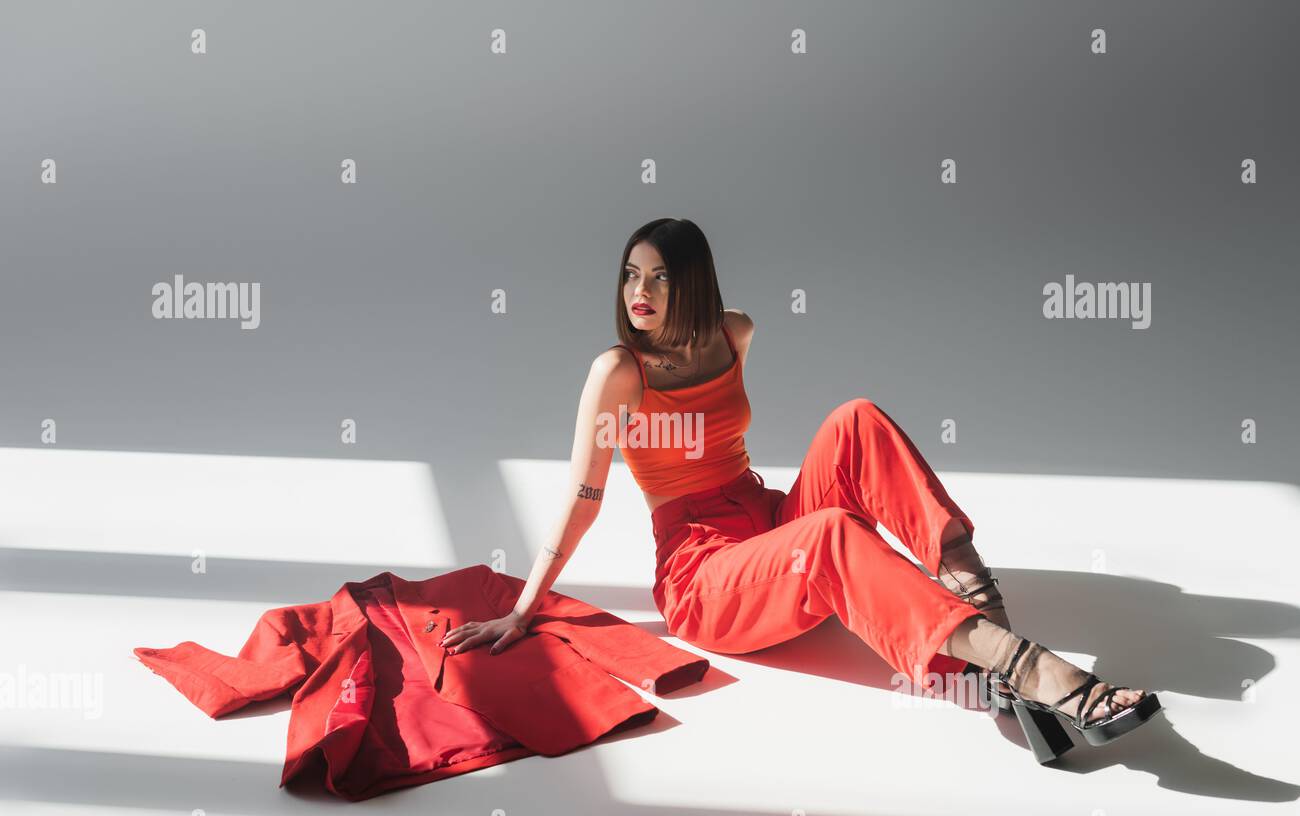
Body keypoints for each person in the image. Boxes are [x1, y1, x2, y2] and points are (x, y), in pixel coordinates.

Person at [441, 218, 1162, 761]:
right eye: (631, 274)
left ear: (695, 283)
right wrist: (523, 607)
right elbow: (583, 496)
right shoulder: (619, 372)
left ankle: (984, 611)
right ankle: (1029, 668)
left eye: (660, 277)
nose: (639, 293)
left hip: (770, 520)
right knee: (829, 537)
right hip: (705, 574)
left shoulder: (735, 332)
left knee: (856, 418)